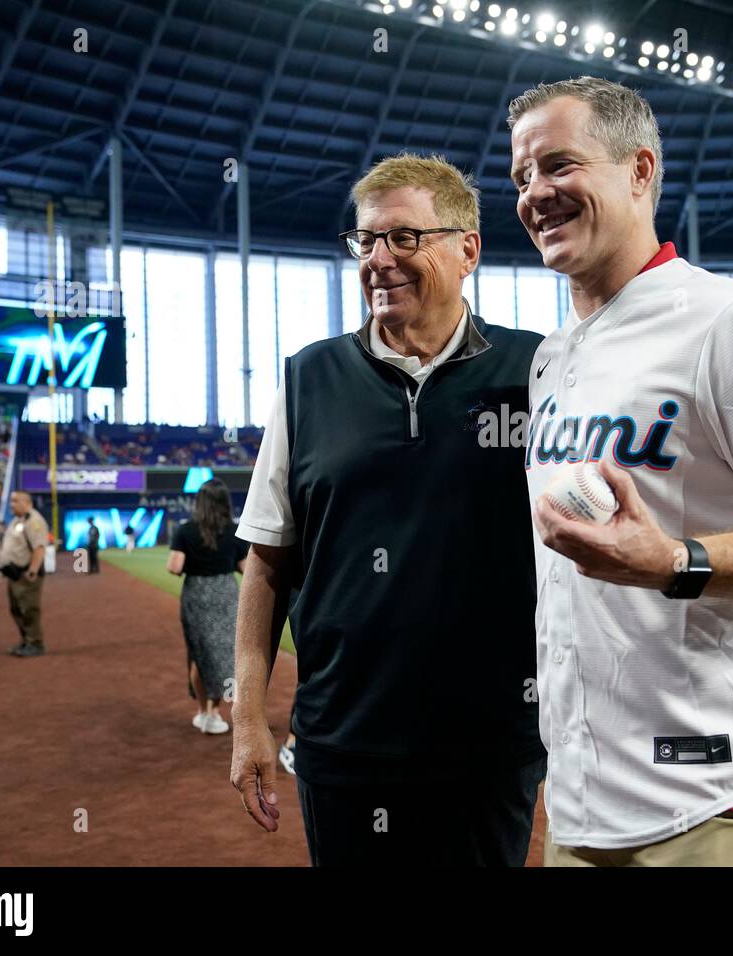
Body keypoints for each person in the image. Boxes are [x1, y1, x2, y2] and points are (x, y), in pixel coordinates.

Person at [508, 76, 733, 866]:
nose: (536, 193)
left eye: (559, 165)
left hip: (717, 806)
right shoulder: (549, 361)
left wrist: (676, 561)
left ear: (640, 171)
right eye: (522, 177)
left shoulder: (730, 320)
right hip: (580, 812)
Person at [230, 153, 546, 867]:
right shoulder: (308, 378)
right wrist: (248, 717)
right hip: (344, 743)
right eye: (365, 240)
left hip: (490, 747)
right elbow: (268, 562)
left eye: (404, 238)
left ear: (467, 250)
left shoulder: (539, 370)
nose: (378, 259)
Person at [166, 478, 249, 735]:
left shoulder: (186, 530)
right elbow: (247, 571)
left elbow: (174, 567)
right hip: (226, 595)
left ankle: (204, 712)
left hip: (197, 595)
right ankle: (214, 711)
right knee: (225, 655)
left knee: (199, 655)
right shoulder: (235, 531)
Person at [2, 491, 49, 657]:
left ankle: (35, 643)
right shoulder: (17, 521)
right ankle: (26, 640)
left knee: (29, 609)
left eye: (15, 501)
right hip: (14, 573)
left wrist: (33, 570)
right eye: (11, 501)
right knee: (16, 609)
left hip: (26, 573)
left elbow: (39, 547)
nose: (11, 505)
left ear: (26, 502)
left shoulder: (34, 521)